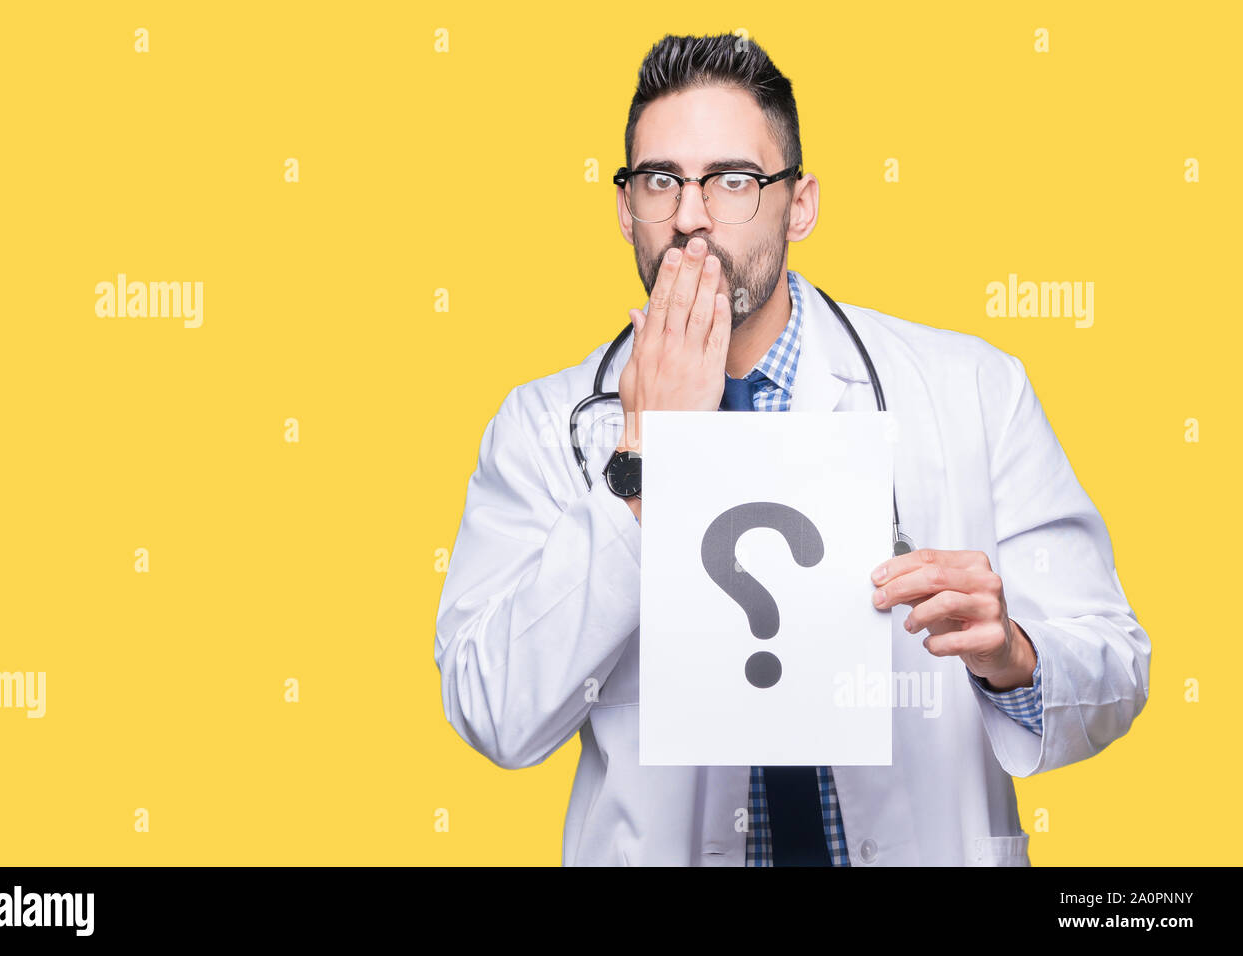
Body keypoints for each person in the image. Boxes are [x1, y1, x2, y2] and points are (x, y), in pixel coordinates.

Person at [434, 33, 1150, 866]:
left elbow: (1116, 669)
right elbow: (493, 711)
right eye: (660, 180)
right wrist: (641, 464)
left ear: (799, 204)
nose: (691, 213)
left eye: (733, 179)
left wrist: (1012, 656)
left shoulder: (975, 390)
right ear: (625, 207)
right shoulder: (539, 426)